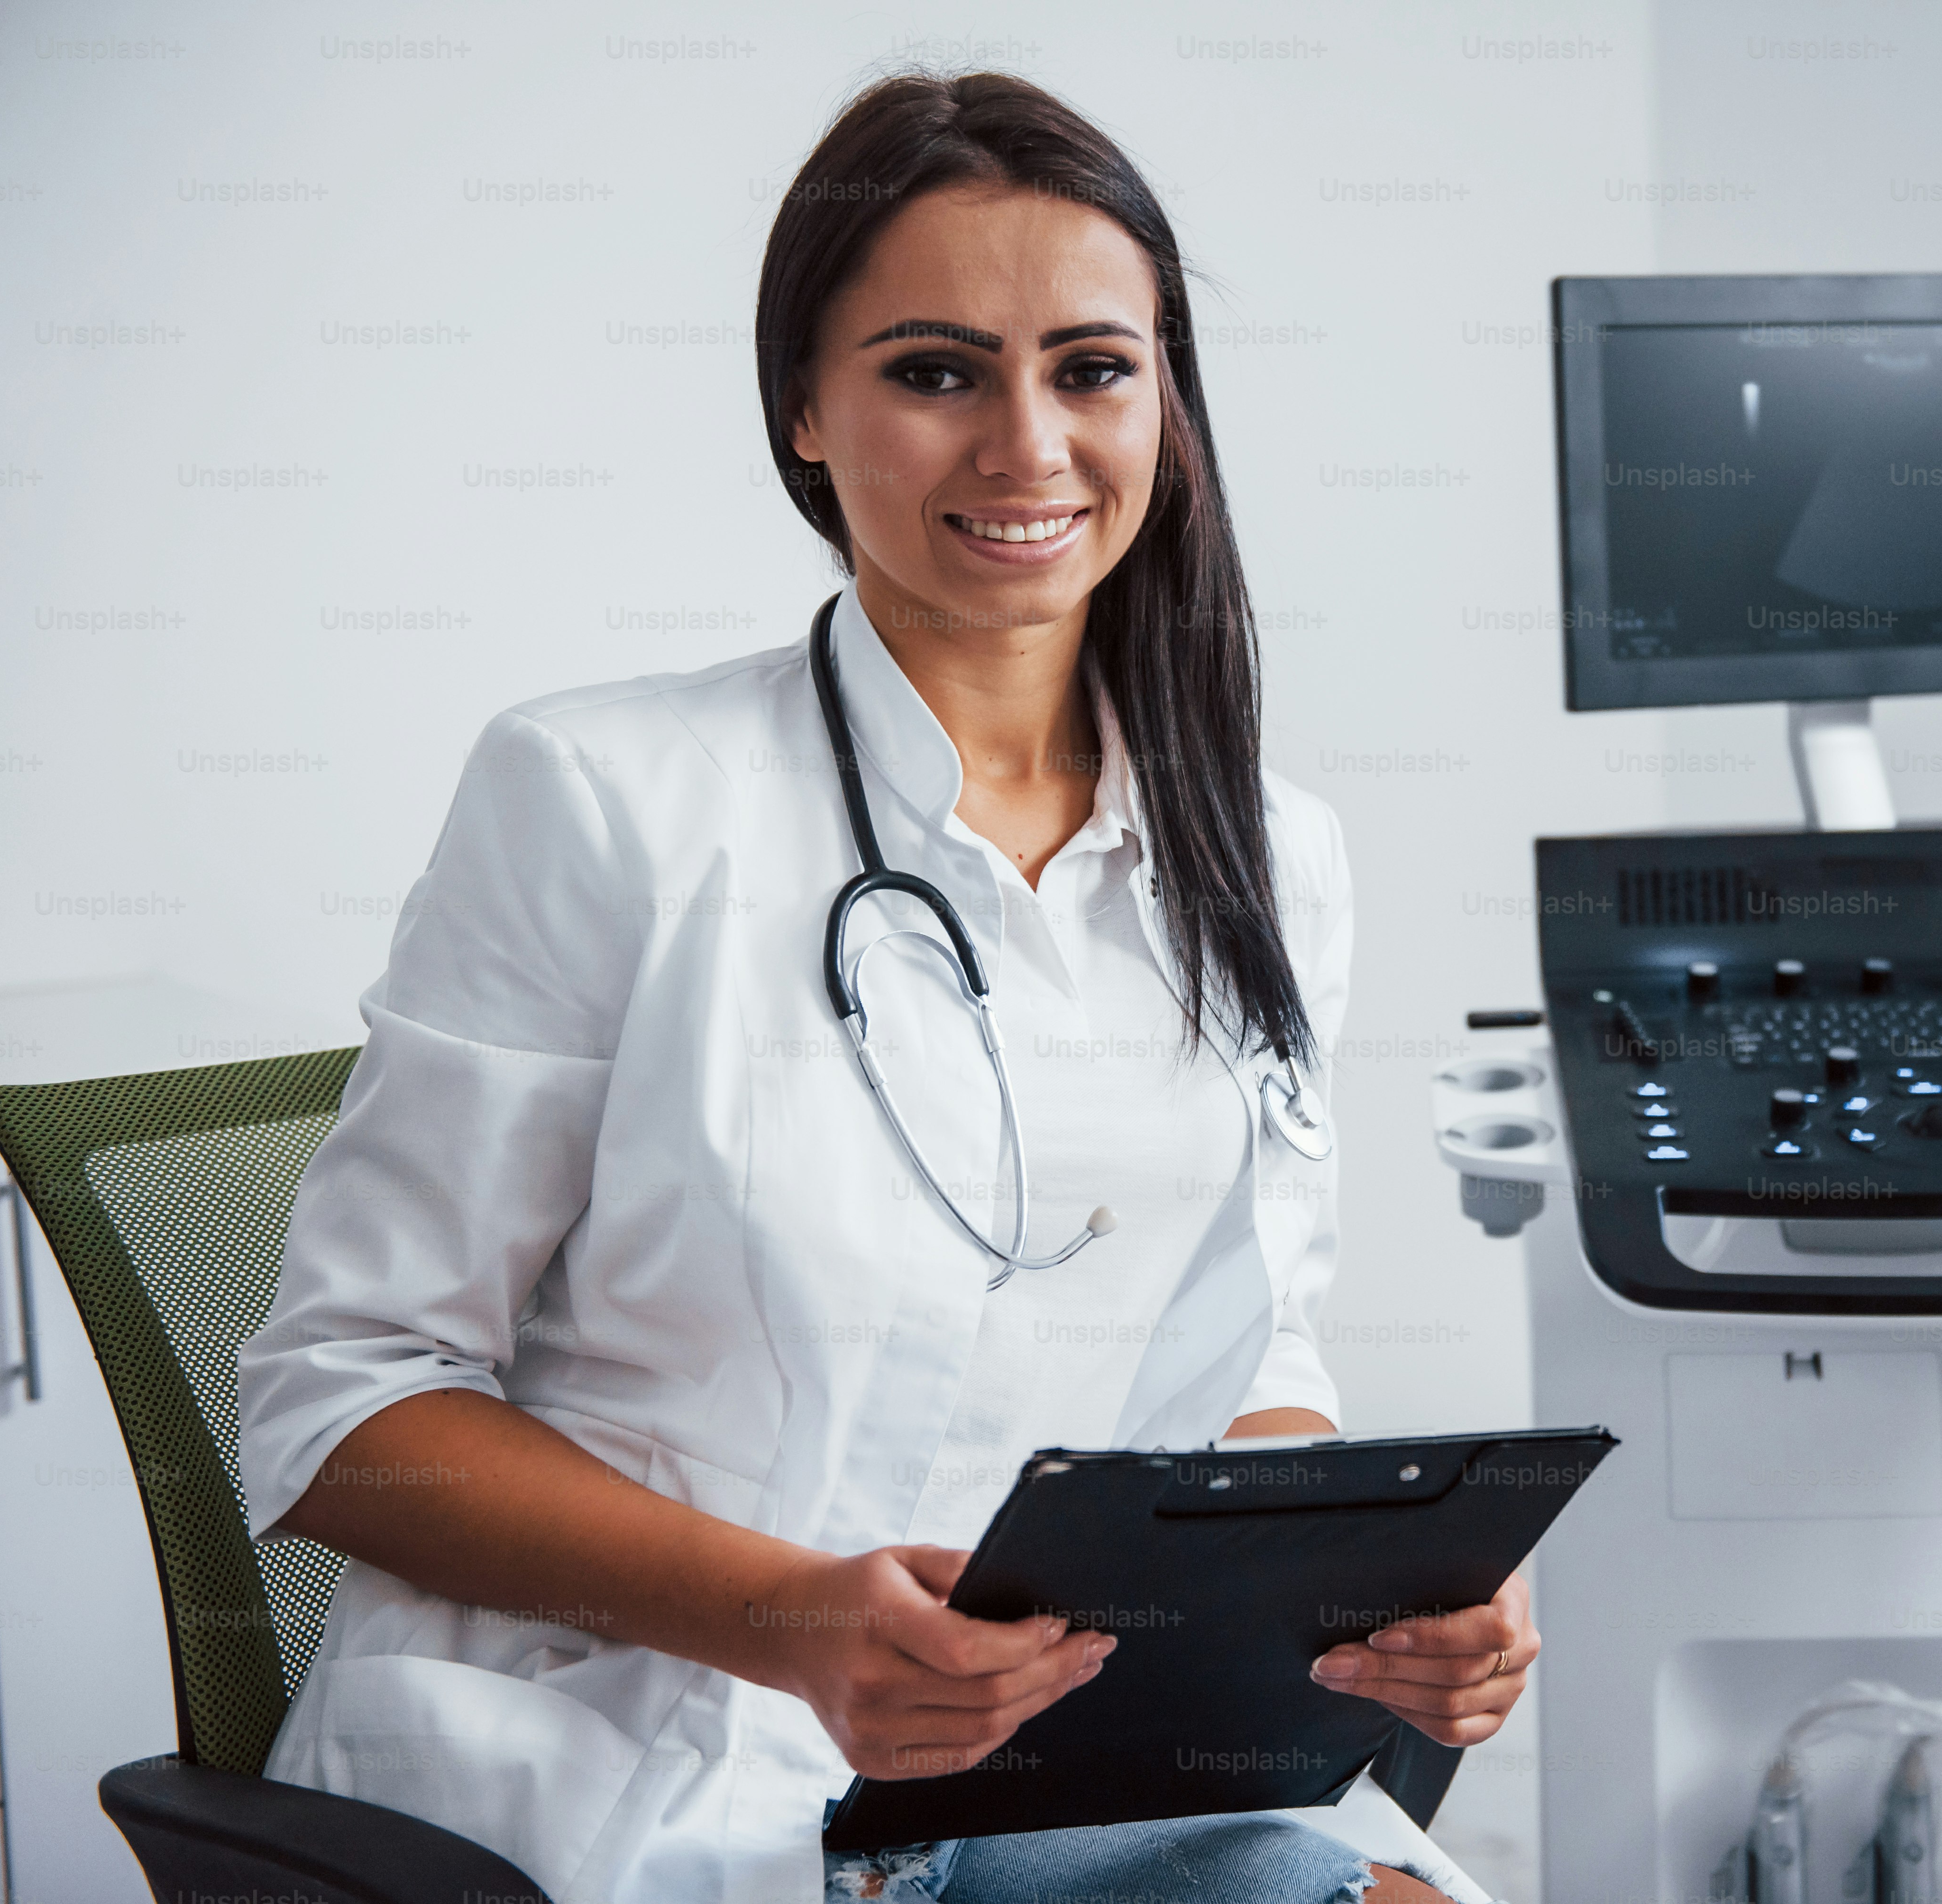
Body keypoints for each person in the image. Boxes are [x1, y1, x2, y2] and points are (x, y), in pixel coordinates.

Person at [235, 71, 1524, 1904]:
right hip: (643, 1750)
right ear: (807, 415)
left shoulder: (1268, 854)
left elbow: (1251, 1360)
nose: (1028, 448)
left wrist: (1373, 1579)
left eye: (1092, 370)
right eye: (935, 371)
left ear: (1168, 404)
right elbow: (342, 1408)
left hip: (1067, 1763)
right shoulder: (607, 800)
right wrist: (784, 1620)